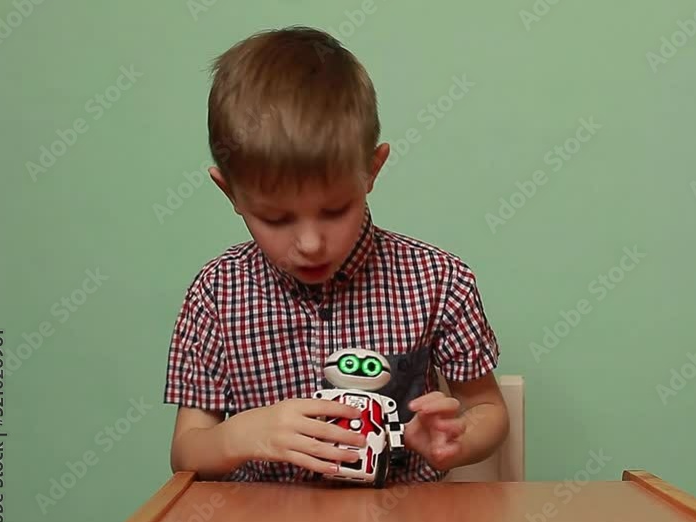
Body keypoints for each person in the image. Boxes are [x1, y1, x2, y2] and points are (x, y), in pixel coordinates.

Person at [163, 26, 508, 484]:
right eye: (276, 218)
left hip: (402, 520)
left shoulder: (439, 279)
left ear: (372, 171)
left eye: (334, 210)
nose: (310, 243)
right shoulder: (215, 293)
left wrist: (458, 436)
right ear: (231, 194)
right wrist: (243, 434)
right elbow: (187, 449)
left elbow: (488, 408)